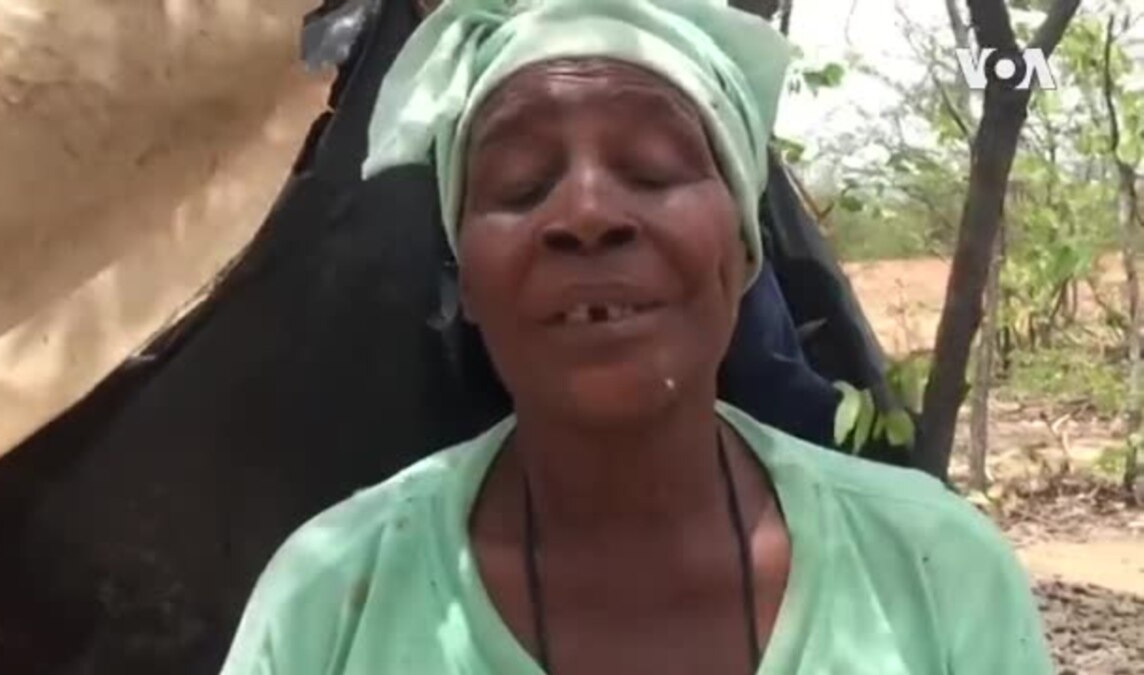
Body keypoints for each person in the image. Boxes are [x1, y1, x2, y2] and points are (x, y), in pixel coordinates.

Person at [219, 0, 1053, 673]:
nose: (586, 215)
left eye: (653, 170)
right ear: (465, 277)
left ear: (742, 247)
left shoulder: (934, 574)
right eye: (520, 184)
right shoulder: (332, 599)